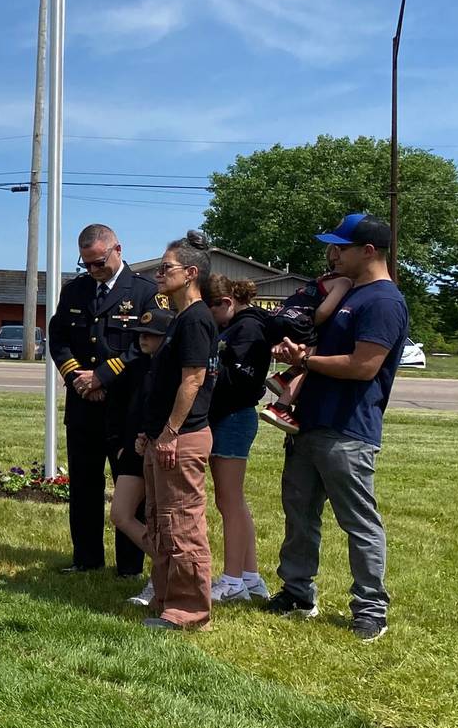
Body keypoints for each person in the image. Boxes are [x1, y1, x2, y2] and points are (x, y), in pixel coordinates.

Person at [266, 213, 407, 642]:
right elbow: (319, 347)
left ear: (369, 251)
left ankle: (370, 608)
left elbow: (364, 366)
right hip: (308, 422)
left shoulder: (383, 301)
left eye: (340, 247)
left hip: (348, 429)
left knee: (358, 522)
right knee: (299, 513)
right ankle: (297, 593)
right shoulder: (346, 293)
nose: (332, 254)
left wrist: (306, 361)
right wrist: (297, 350)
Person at [47, 224, 160, 574]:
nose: (94, 270)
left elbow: (143, 347)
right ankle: (86, 559)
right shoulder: (75, 290)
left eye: (99, 262)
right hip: (83, 404)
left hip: (126, 406)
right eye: (87, 264)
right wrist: (77, 378)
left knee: (129, 483)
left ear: (117, 250)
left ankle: (129, 566)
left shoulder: (145, 292)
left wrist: (103, 376)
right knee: (84, 484)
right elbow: (58, 338)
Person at [137, 231, 218, 632]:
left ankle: (189, 612)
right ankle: (167, 599)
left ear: (190, 273)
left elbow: (193, 380)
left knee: (181, 523)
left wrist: (170, 432)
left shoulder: (197, 319)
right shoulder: (180, 318)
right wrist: (151, 432)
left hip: (182, 439)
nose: (158, 273)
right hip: (164, 437)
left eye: (165, 267)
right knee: (161, 522)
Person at [204, 275, 273, 603]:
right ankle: (250, 576)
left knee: (229, 501)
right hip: (228, 417)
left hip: (233, 417)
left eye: (212, 310)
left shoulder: (248, 329)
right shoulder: (236, 326)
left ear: (227, 302)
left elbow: (240, 379)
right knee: (232, 500)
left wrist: (208, 373)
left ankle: (232, 581)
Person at [108, 304, 173, 607]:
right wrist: (122, 443)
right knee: (120, 514)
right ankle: (167, 563)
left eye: (151, 334)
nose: (143, 338)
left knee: (161, 519)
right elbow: (122, 408)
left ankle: (159, 578)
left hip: (161, 449)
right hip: (133, 451)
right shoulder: (135, 366)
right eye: (140, 333)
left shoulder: (172, 369)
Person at [259, 254, 353, 434]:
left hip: (278, 315)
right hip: (298, 319)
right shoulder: (344, 282)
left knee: (301, 357)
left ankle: (284, 378)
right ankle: (280, 407)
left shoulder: (320, 280)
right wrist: (312, 326)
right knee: (308, 364)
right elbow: (324, 311)